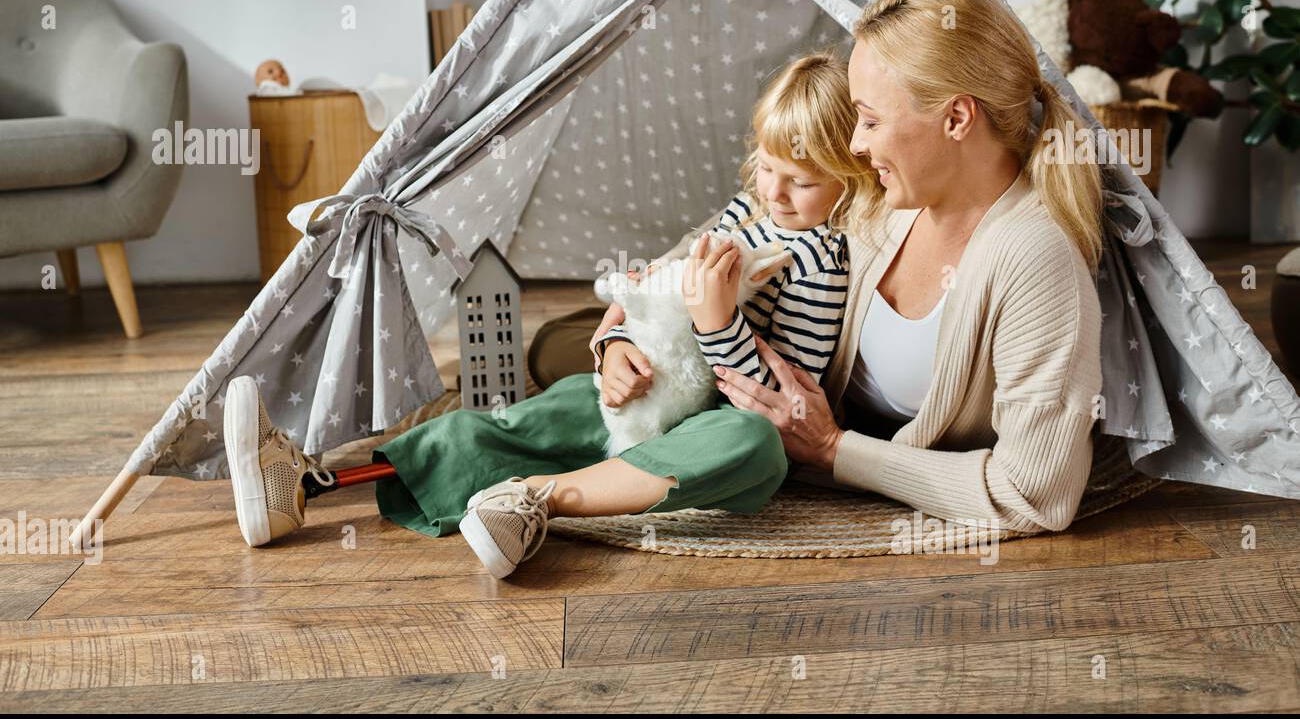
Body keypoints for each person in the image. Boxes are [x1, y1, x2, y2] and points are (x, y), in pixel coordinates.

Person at [220, 51, 871, 578]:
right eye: (765, 167)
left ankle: (535, 500)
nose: (774, 191)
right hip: (658, 392)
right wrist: (615, 348)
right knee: (546, 408)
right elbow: (655, 295)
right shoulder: (748, 212)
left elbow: (778, 403)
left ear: (849, 176)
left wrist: (715, 321)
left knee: (752, 448)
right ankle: (307, 483)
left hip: (720, 427)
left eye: (803, 181)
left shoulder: (822, 260)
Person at [693, 0, 1107, 536]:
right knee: (573, 361)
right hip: (716, 365)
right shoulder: (885, 195)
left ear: (957, 118)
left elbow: (1036, 495)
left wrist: (835, 450)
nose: (856, 145)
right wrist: (617, 332)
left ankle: (548, 501)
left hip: (760, 431)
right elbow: (746, 219)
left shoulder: (1035, 261)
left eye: (870, 119)